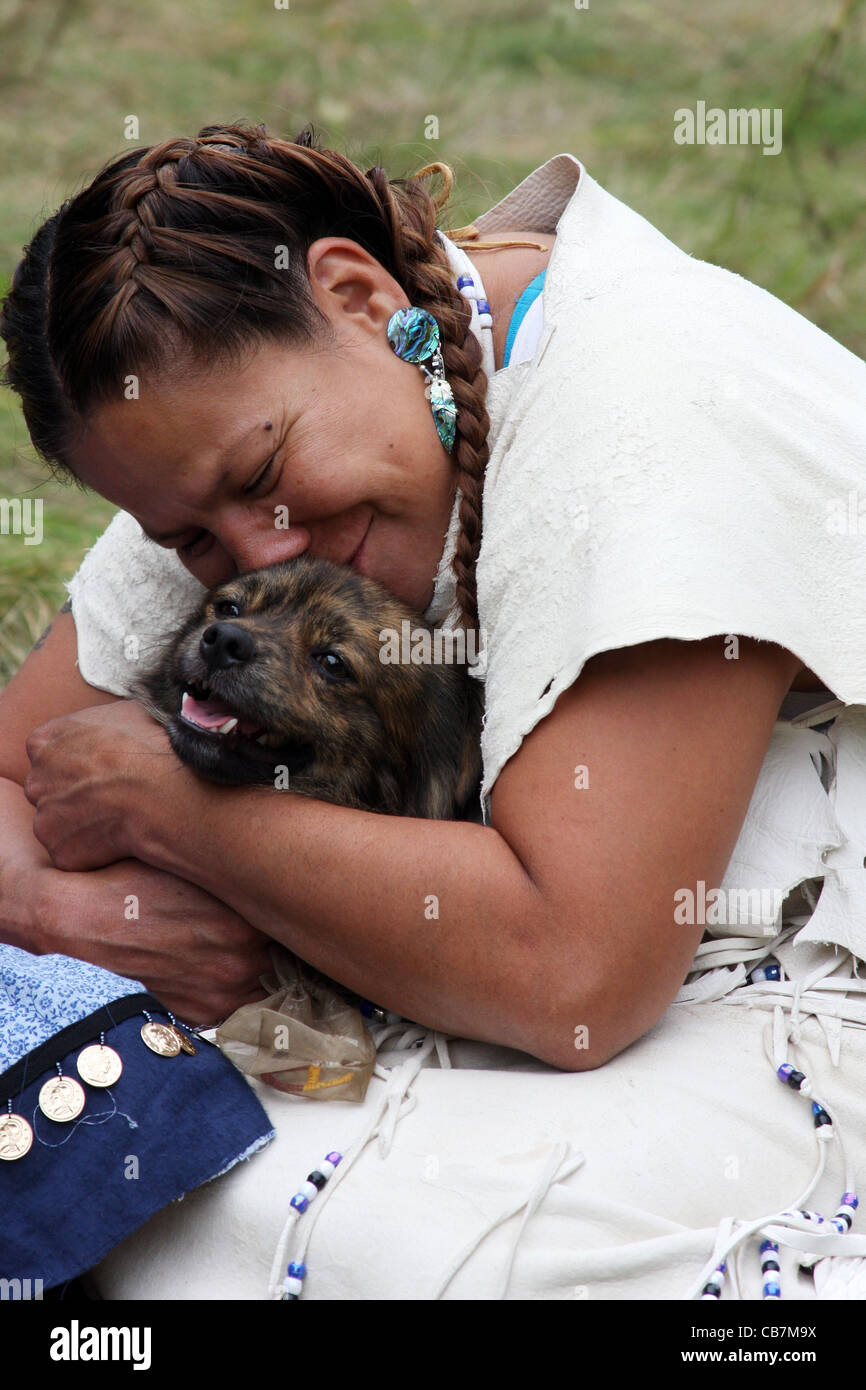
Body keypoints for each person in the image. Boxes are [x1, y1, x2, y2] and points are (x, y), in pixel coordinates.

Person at [2, 121, 866, 1301]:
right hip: (540, 970)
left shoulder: (642, 395)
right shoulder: (256, 432)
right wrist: (42, 900)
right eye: (191, 538)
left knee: (278, 1219)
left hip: (788, 978)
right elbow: (14, 767)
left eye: (258, 482)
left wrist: (172, 810)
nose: (258, 550)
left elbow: (574, 978)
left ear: (355, 294)